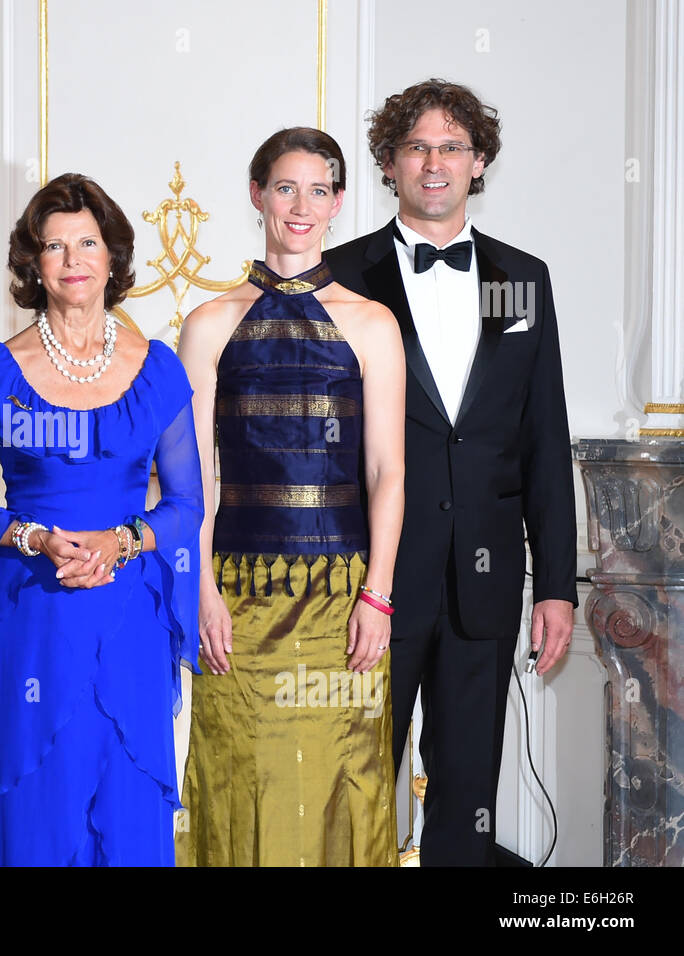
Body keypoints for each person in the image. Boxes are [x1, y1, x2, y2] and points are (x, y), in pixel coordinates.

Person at [324, 80, 577, 866]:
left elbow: (543, 438)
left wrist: (559, 586)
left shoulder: (518, 279)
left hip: (488, 580)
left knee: (468, 794)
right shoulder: (340, 276)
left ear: (479, 163)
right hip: (373, 582)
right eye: (417, 147)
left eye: (453, 147)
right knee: (353, 783)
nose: (435, 163)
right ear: (390, 165)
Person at [176, 128, 405, 866]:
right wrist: (201, 587)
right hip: (238, 597)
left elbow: (388, 473)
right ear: (257, 195)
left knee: (345, 780)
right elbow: (195, 474)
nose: (299, 206)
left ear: (338, 202)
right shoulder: (208, 325)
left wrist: (378, 595)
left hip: (343, 599)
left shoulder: (373, 324)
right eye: (284, 187)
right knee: (238, 776)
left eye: (317, 190)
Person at [0, 173, 202, 866]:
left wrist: (126, 540)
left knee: (126, 805)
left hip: (129, 612)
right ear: (33, 264)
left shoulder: (158, 369)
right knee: (39, 801)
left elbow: (186, 505)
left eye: (88, 242)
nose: (73, 260)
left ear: (113, 256)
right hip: (33, 611)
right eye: (55, 246)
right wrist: (34, 536)